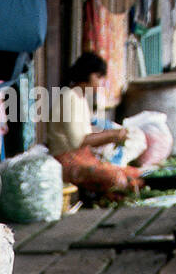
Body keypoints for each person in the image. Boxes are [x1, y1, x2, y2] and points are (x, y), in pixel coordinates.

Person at [47, 52, 145, 201]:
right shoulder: (68, 97)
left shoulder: (80, 97)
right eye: (98, 77)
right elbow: (77, 142)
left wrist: (113, 136)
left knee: (135, 173)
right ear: (86, 74)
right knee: (116, 178)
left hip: (84, 156)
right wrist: (113, 135)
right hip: (66, 160)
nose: (100, 83)